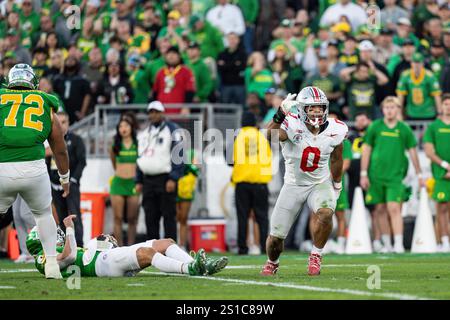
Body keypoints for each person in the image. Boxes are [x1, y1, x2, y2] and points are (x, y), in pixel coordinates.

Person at [261, 86, 348, 276]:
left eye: (320, 107)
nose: (317, 112)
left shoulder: (335, 128)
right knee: (276, 239)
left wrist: (337, 183)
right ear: (301, 109)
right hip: (293, 184)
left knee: (326, 212)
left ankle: (316, 254)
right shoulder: (291, 123)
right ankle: (272, 262)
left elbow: (336, 158)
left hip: (320, 182)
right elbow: (269, 136)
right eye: (311, 108)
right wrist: (280, 114)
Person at [0, 63, 70, 279]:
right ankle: (51, 264)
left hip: (3, 168)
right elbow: (59, 147)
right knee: (43, 215)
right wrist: (64, 178)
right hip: (35, 169)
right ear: (34, 83)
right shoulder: (43, 101)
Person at [27, 215, 228, 278]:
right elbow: (69, 258)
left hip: (101, 257)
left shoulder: (52, 252)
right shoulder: (41, 259)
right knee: (147, 253)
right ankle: (190, 269)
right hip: (99, 265)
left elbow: (72, 253)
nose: (56, 235)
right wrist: (70, 229)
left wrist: (102, 242)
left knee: (166, 243)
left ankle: (201, 266)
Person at [360, 96, 424, 253]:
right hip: (376, 175)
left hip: (395, 176)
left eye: (392, 107)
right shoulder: (375, 127)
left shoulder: (404, 129)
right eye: (386, 108)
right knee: (380, 209)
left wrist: (420, 174)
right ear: (382, 110)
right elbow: (366, 150)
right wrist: (363, 173)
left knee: (394, 208)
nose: (389, 110)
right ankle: (387, 243)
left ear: (398, 110)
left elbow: (413, 152)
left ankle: (398, 244)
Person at [136, 101, 184, 241]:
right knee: (150, 216)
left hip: (165, 179)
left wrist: (173, 178)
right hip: (148, 180)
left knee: (169, 216)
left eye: (156, 112)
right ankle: (153, 251)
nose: (153, 115)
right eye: (151, 112)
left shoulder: (173, 130)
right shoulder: (144, 133)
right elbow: (140, 157)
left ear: (162, 113)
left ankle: (171, 249)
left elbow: (178, 155)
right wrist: (138, 179)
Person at [231, 112, 272, 255]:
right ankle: (264, 247)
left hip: (242, 182)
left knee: (242, 216)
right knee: (262, 217)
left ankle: (242, 248)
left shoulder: (237, 137)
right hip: (260, 182)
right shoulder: (262, 137)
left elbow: (230, 160)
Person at [46, 111, 86, 247]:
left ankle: (79, 246)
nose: (61, 126)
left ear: (69, 123)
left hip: (71, 184)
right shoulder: (49, 141)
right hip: (54, 185)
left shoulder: (76, 140)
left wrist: (73, 180)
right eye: (58, 122)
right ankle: (65, 246)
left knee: (75, 215)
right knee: (60, 217)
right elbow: (45, 161)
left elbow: (82, 162)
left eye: (64, 122)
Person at [423, 93, 450, 252]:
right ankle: (444, 241)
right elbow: (428, 151)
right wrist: (446, 166)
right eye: (446, 104)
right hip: (441, 175)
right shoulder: (434, 127)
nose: (448, 107)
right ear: (442, 107)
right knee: (442, 208)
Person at [110, 117, 140, 246]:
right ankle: (119, 248)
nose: (123, 128)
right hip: (118, 184)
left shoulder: (138, 143)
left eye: (126, 125)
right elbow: (114, 163)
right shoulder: (115, 145)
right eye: (121, 126)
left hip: (133, 184)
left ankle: (131, 247)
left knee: (132, 218)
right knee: (118, 218)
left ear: (132, 127)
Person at [327, 112, 352, 254]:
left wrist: (332, 176)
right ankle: (320, 245)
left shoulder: (344, 141)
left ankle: (341, 243)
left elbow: (346, 162)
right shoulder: (317, 139)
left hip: (337, 183)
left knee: (340, 214)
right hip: (321, 183)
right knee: (317, 215)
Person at [396, 52, 442, 120]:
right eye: (414, 62)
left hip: (428, 113)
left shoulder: (430, 76)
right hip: (411, 112)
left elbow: (436, 95)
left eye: (418, 62)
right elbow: (400, 96)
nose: (416, 65)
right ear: (411, 63)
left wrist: (440, 113)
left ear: (423, 63)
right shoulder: (405, 76)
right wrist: (399, 113)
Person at [176, 149, 199, 250]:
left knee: (183, 218)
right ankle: (173, 244)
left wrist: (188, 165)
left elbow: (196, 168)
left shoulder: (191, 153)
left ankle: (182, 244)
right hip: (174, 187)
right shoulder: (171, 149)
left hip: (186, 189)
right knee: (174, 217)